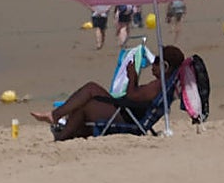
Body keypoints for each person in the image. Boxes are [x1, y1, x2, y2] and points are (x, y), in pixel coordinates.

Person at [30, 45, 185, 142]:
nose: (152, 65)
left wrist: (132, 77)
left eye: (156, 61)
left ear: (165, 66)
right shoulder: (162, 86)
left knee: (90, 91)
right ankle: (63, 131)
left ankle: (57, 120)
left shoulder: (157, 86)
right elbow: (137, 98)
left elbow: (132, 96)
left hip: (125, 116)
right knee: (87, 100)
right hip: (125, 111)